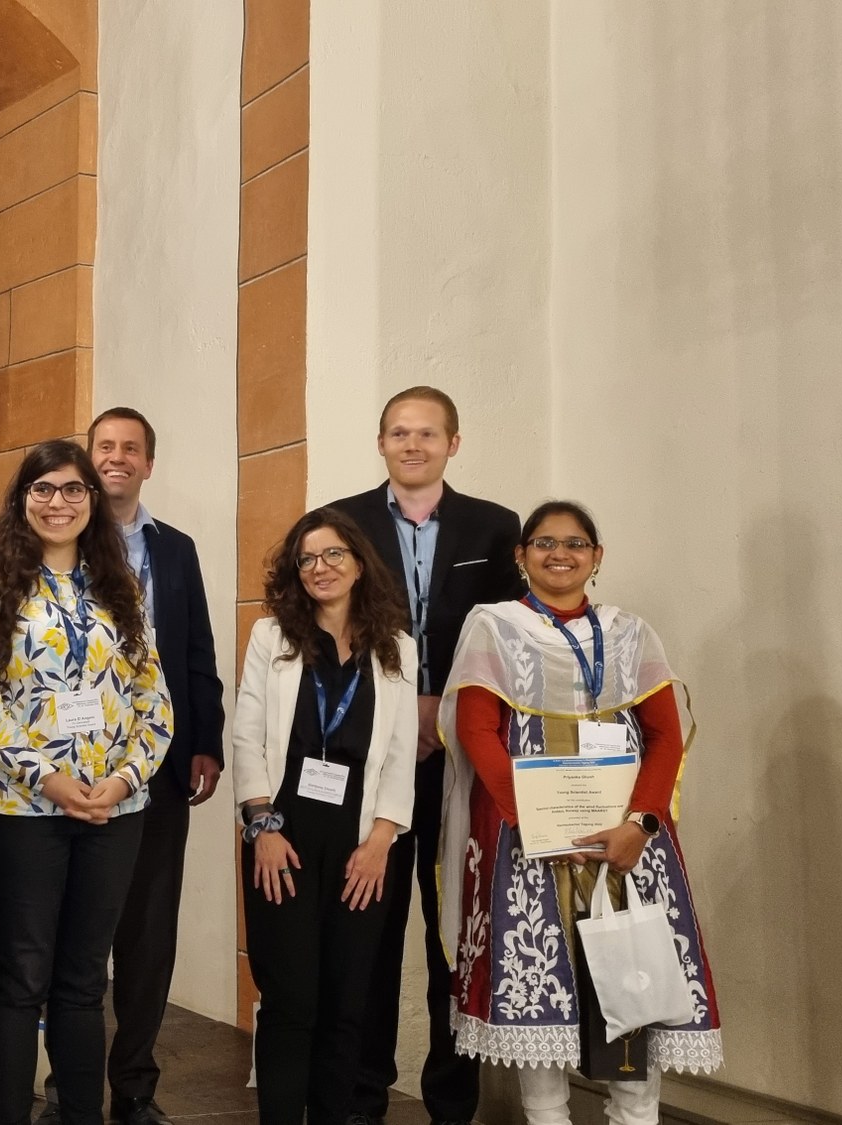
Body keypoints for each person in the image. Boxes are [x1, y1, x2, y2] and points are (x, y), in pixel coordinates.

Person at [438, 501, 722, 1125]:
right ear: (521, 556)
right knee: (542, 998)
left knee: (635, 985)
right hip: (524, 841)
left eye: (575, 543)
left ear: (596, 556)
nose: (559, 554)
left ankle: (636, 1116)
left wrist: (640, 824)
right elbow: (478, 731)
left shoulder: (630, 634)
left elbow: (665, 737)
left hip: (628, 844)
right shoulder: (494, 628)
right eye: (544, 542)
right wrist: (538, 825)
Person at [0, 438, 172, 1125]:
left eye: (73, 488)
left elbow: (153, 698)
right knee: (21, 976)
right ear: (23, 498)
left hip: (114, 810)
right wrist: (44, 775)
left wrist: (126, 778)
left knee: (83, 981)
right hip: (24, 808)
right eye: (44, 488)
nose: (59, 502)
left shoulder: (120, 584)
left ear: (93, 499)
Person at [327, 386, 517, 1125]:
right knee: (369, 934)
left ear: (453, 443)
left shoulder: (496, 527)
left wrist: (450, 707)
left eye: (428, 433)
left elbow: (508, 638)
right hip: (373, 760)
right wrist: (398, 708)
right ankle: (362, 1097)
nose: (413, 445)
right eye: (400, 433)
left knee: (455, 936)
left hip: (459, 758)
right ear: (381, 442)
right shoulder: (341, 523)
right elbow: (326, 635)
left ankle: (452, 1103)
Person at [38, 407, 224, 1125]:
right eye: (104, 447)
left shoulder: (175, 549)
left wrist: (204, 739)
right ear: (87, 461)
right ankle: (69, 1089)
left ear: (149, 463)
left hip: (157, 767)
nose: (116, 457)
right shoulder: (59, 539)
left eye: (131, 448)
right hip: (70, 769)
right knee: (73, 936)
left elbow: (197, 649)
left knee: (147, 936)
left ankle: (137, 1089)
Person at [231, 507, 418, 1125]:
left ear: (360, 563)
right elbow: (248, 737)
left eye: (333, 554)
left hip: (362, 843)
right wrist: (261, 826)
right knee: (291, 1001)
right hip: (282, 837)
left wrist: (382, 841)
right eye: (307, 558)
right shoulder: (272, 638)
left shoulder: (396, 648)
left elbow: (400, 755)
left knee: (346, 1004)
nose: (320, 567)